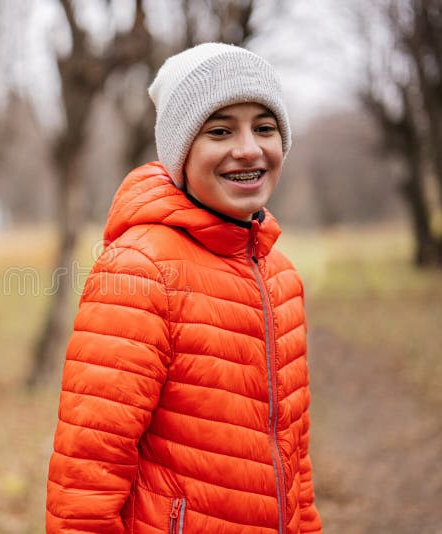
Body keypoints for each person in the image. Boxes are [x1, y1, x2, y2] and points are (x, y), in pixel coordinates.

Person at [45, 43, 322, 533]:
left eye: (264, 127)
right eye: (220, 130)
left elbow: (295, 465)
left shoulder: (280, 275)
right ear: (181, 152)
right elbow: (85, 481)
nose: (248, 149)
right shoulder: (140, 271)